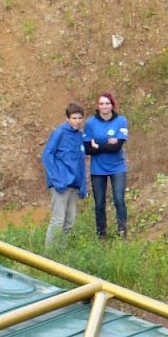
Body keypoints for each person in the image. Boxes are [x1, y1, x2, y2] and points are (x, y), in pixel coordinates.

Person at [82, 93, 129, 240]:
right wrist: (107, 144)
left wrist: (98, 147)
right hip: (98, 169)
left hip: (117, 167)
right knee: (99, 202)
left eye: (107, 103)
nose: (104, 106)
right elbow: (87, 149)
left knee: (119, 199)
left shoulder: (121, 121)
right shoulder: (90, 123)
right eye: (101, 104)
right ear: (98, 106)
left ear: (112, 105)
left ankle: (122, 230)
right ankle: (101, 233)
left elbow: (117, 147)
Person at [41, 103, 88, 249]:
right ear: (67, 118)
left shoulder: (80, 136)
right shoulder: (59, 133)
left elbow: (81, 162)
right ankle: (49, 255)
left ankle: (62, 252)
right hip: (61, 185)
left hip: (74, 185)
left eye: (80, 118)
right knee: (58, 220)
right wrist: (57, 180)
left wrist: (83, 186)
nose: (77, 121)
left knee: (70, 221)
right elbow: (47, 155)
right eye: (74, 118)